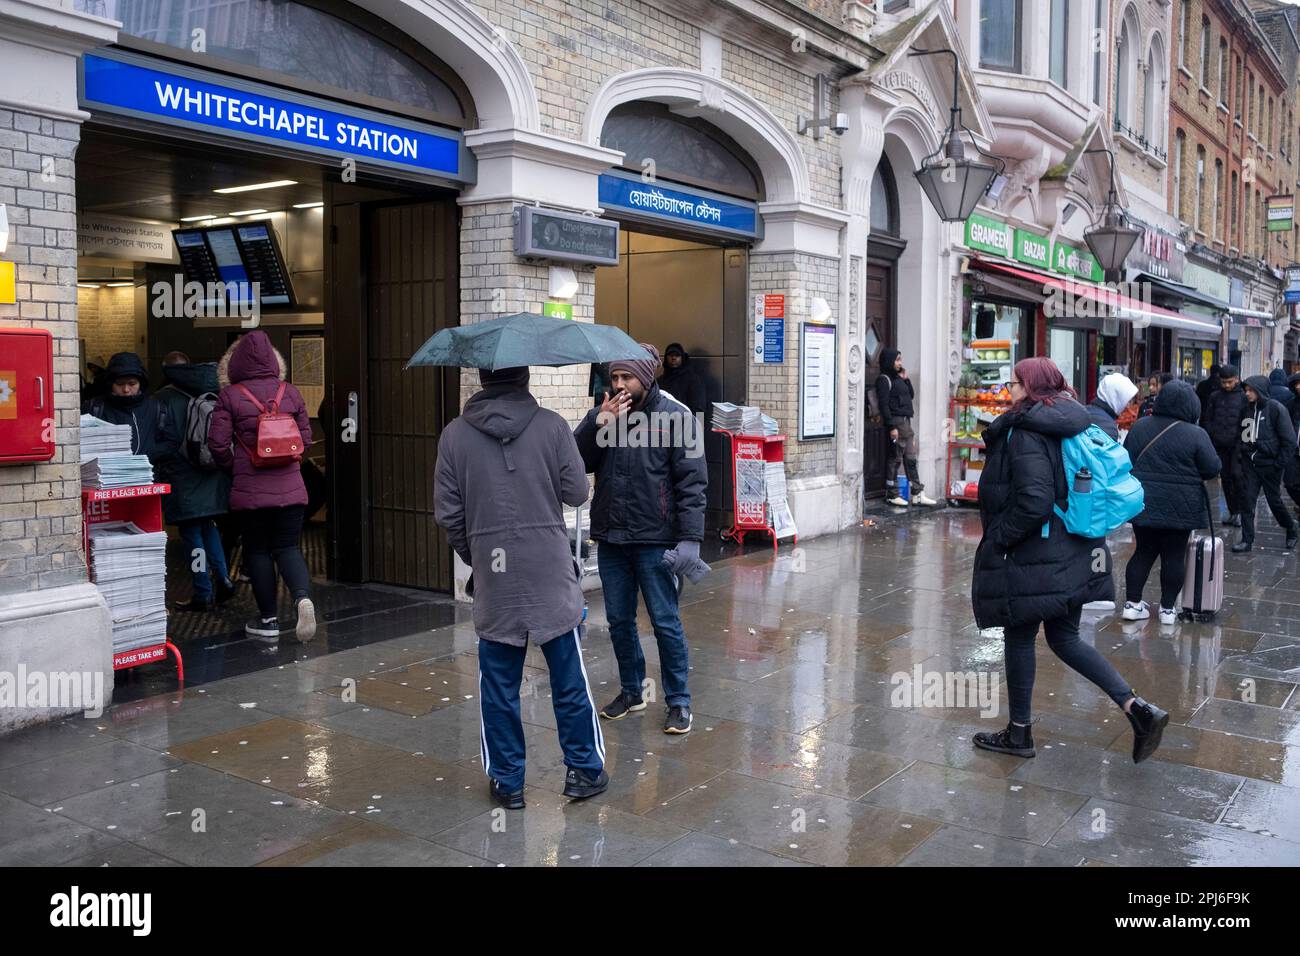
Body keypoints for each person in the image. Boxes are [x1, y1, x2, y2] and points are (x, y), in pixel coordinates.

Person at [970, 357, 1169, 764]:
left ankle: (1020, 734)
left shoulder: (1027, 430)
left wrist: (999, 539)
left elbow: (1033, 501)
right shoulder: (1073, 419)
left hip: (1035, 554)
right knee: (1064, 638)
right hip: (1075, 547)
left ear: (1031, 387)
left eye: (1015, 384)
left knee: (1020, 636)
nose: (1010, 390)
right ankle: (1136, 707)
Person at [434, 366, 608, 810]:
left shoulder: (454, 436)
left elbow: (449, 513)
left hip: (496, 573)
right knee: (569, 678)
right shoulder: (551, 426)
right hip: (550, 568)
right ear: (526, 378)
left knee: (498, 684)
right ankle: (584, 771)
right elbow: (575, 494)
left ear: (481, 377)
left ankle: (509, 782)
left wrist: (477, 556)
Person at [575, 343, 708, 735]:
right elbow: (577, 463)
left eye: (626, 377)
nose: (619, 385)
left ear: (645, 377)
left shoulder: (676, 417)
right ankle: (632, 691)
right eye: (614, 377)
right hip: (612, 538)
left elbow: (693, 483)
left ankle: (679, 701)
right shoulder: (604, 414)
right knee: (619, 621)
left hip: (656, 540)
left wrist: (690, 539)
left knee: (665, 622)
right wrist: (597, 423)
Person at [207, 331, 317, 640]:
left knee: (257, 550)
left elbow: (216, 444)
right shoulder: (290, 393)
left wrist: (235, 467)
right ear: (273, 361)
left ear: (236, 363)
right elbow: (305, 440)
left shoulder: (230, 396)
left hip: (251, 493)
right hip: (292, 489)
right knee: (288, 547)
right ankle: (301, 597)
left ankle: (268, 619)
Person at [1121, 380, 1220, 626]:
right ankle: (1167, 610)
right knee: (1174, 556)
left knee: (1143, 552)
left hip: (1144, 501)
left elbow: (1126, 460)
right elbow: (1212, 468)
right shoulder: (1197, 434)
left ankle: (1132, 605)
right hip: (1182, 506)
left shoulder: (1141, 426)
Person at [155, 351, 236, 612]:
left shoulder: (162, 398)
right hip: (210, 472)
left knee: (192, 536)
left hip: (182, 476)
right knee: (209, 527)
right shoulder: (212, 391)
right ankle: (222, 577)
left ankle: (202, 590)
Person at [1232, 375, 1299, 553]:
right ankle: (1247, 540)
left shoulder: (1276, 409)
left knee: (1274, 501)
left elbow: (1289, 441)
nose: (1247, 393)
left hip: (1271, 465)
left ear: (1260, 390)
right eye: (1246, 390)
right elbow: (1244, 436)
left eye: (1251, 390)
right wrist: (1243, 456)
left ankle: (1291, 527)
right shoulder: (1246, 410)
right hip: (1251, 465)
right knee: (1247, 501)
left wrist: (1278, 464)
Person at [876, 348, 936, 506]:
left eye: (900, 359)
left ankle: (917, 492)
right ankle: (892, 493)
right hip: (896, 422)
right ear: (889, 361)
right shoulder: (884, 379)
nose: (900, 363)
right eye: (897, 360)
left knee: (911, 458)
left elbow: (911, 395)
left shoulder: (898, 378)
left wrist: (906, 379)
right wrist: (891, 426)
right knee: (895, 458)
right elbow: (883, 405)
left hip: (906, 423)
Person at [83, 352, 170, 459]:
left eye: (132, 384)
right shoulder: (94, 408)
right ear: (111, 384)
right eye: (119, 384)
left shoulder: (157, 409)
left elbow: (170, 443)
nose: (126, 390)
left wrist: (146, 457)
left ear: (141, 383)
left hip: (147, 472)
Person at [1201, 365, 1248, 526]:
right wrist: (1212, 434)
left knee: (1238, 477)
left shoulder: (1243, 397)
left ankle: (1241, 512)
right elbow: (1208, 418)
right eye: (1224, 382)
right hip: (1220, 444)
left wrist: (1244, 443)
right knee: (1226, 479)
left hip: (1237, 445)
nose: (1227, 385)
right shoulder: (1215, 396)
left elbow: (1247, 421)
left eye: (1229, 382)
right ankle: (1233, 511)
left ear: (1236, 379)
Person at [658, 342, 708, 419]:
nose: (673, 358)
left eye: (677, 355)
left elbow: (699, 407)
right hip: (664, 425)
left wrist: (694, 426)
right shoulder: (660, 381)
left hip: (686, 424)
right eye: (671, 355)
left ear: (682, 358)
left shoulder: (693, 379)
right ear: (666, 357)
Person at [1087, 372, 1138, 439]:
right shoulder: (1108, 427)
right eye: (1126, 401)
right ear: (1116, 398)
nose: (1127, 406)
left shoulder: (1087, 410)